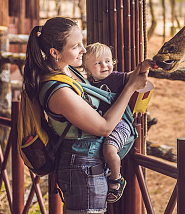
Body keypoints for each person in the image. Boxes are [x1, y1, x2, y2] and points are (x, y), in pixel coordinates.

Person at [22, 17, 148, 213]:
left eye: (82, 42)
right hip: (82, 168)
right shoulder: (58, 90)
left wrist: (136, 74)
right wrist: (130, 88)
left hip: (89, 163)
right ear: (55, 52)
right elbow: (105, 127)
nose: (83, 50)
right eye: (75, 46)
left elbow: (105, 81)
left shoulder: (70, 70)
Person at [82, 43, 155, 203]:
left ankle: (116, 179)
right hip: (100, 123)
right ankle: (107, 171)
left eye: (108, 61)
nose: (104, 66)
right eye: (98, 63)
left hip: (120, 123)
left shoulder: (116, 78)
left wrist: (147, 64)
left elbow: (136, 73)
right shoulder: (86, 84)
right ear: (86, 69)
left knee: (109, 150)